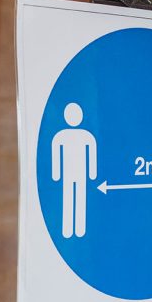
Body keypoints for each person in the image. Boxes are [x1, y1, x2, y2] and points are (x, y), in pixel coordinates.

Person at [51, 102, 97, 238]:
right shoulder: (61, 136)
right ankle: (68, 229)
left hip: (79, 174)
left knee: (78, 198)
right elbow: (56, 153)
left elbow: (92, 153)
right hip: (69, 174)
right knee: (70, 198)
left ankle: (79, 229)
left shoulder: (86, 136)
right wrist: (56, 174)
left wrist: (92, 173)